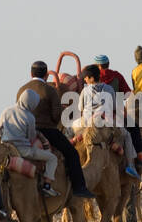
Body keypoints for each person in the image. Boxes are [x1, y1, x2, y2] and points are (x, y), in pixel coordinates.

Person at [18, 61, 96, 198]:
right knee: (72, 153)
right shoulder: (50, 90)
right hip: (47, 130)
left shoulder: (22, 89)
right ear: (46, 76)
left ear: (31, 74)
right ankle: (79, 187)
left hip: (24, 132)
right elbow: (56, 116)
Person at [0, 89, 62, 198]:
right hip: (23, 151)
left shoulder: (6, 111)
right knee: (52, 158)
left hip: (6, 149)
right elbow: (31, 137)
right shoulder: (29, 117)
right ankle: (47, 186)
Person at [78, 65, 139, 179]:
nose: (85, 80)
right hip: (106, 122)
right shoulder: (109, 89)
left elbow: (80, 108)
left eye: (86, 78)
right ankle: (131, 165)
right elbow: (114, 107)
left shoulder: (85, 91)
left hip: (88, 122)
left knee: (69, 132)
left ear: (91, 78)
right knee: (127, 136)